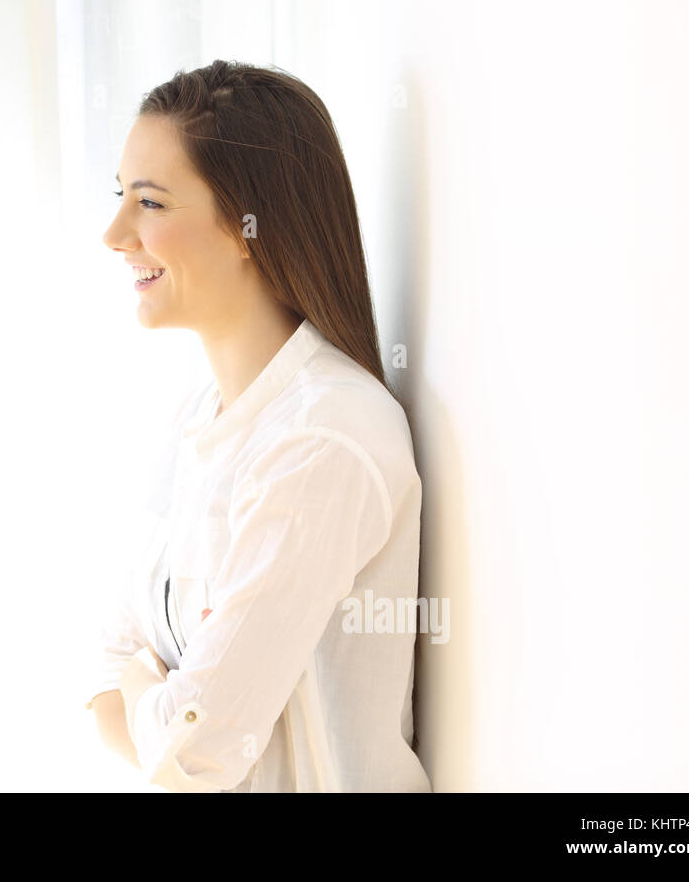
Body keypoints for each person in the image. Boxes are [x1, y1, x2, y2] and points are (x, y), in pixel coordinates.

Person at [85, 59, 432, 792]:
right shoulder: (198, 421)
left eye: (149, 204)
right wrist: (160, 698)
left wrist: (150, 685)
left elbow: (195, 750)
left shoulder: (323, 439)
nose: (115, 234)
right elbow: (100, 672)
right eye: (122, 197)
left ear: (248, 224)